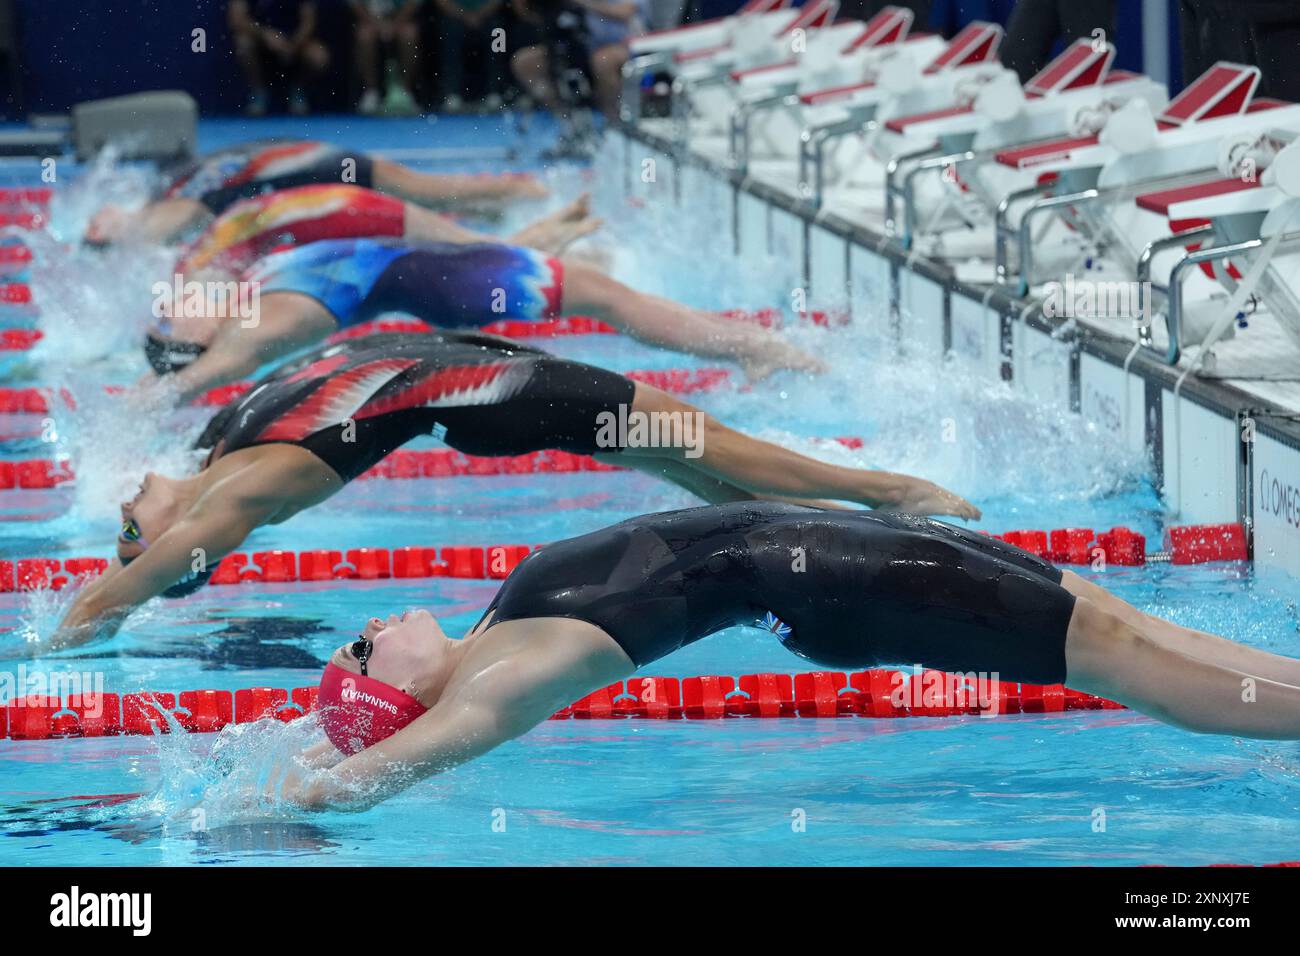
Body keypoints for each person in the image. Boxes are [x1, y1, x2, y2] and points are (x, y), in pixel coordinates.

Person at [267, 499, 1300, 811]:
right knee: (1123, 657)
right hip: (846, 577)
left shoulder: (499, 628)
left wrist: (297, 756)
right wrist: (299, 788)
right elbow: (421, 756)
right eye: (360, 650)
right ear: (396, 690)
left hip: (838, 556)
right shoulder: (496, 678)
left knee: (1124, 630)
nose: (369, 621)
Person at [53, 333, 978, 647]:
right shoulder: (244, 494)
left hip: (484, 372)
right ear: (177, 540)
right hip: (501, 399)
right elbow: (120, 592)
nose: (120, 519)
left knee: (700, 469)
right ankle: (890, 493)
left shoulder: (224, 441)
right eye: (132, 533)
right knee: (712, 448)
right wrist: (57, 646)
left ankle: (831, 541)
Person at [140, 235, 823, 402]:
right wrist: (141, 405)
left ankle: (752, 348)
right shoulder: (272, 317)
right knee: (615, 302)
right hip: (460, 283)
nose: (173, 305)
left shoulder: (253, 282)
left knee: (611, 295)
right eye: (169, 326)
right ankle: (756, 349)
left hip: (457, 263)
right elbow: (220, 372)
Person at [84, 139, 548, 247]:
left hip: (319, 166)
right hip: (310, 157)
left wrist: (121, 241)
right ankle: (521, 205)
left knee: (441, 194)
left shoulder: (178, 202)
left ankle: (539, 196)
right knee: (441, 198)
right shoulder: (187, 181)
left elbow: (161, 228)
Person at [170, 183, 600, 282]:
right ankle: (562, 222)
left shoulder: (201, 270)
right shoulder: (203, 252)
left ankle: (568, 240)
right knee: (471, 246)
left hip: (353, 212)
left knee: (479, 252)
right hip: (341, 204)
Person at [510, 0, 646, 118]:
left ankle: (614, 122)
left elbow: (625, 12)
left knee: (602, 60)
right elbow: (528, 14)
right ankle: (567, 119)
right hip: (585, 48)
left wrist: (583, 2)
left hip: (627, 47)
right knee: (525, 63)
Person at [228, 1, 331, 116]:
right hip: (260, 40)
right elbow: (238, 20)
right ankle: (259, 92)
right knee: (243, 45)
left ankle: (298, 90)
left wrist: (293, 44)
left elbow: (309, 21)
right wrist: (265, 34)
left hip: (296, 42)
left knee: (319, 56)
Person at [350, 0, 426, 115]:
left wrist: (394, 25)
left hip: (401, 21)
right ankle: (371, 92)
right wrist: (378, 25)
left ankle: (405, 91)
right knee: (364, 35)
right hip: (370, 22)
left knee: (410, 34)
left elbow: (412, 4)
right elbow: (356, 5)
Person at [433, 0, 508, 112]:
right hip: (455, 17)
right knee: (450, 33)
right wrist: (464, 15)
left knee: (499, 35)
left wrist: (480, 14)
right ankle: (452, 93)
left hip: (487, 17)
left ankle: (495, 91)